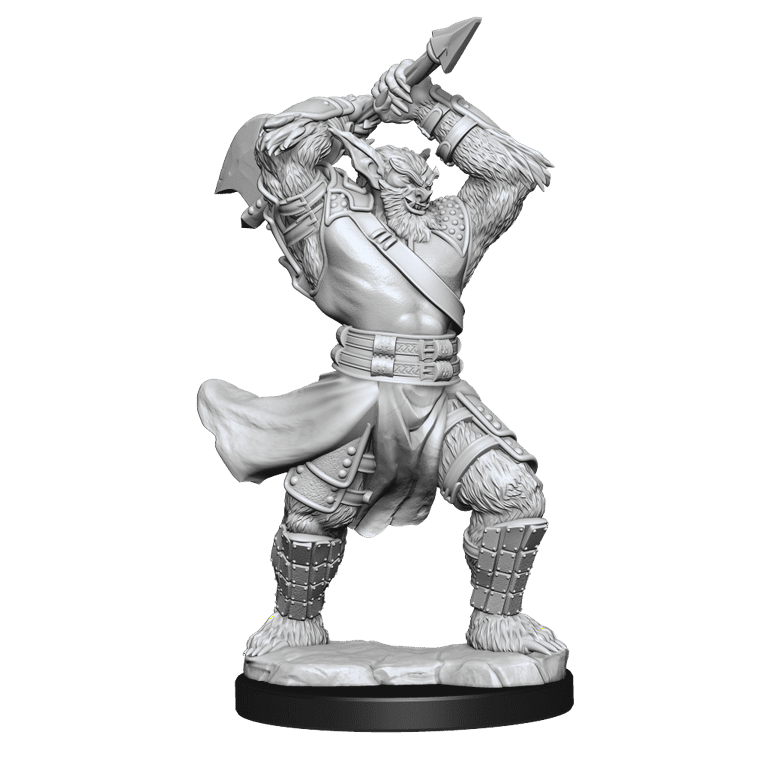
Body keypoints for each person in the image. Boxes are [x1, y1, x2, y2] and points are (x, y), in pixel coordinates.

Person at [198, 60, 566, 657]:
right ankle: (295, 624)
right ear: (363, 169)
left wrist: (425, 108)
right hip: (360, 394)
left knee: (516, 495)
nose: (410, 179)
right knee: (311, 515)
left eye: (421, 173)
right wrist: (361, 106)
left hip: (442, 396)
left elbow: (515, 174)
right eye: (390, 168)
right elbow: (282, 147)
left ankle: (498, 623)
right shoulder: (325, 219)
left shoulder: (455, 225)